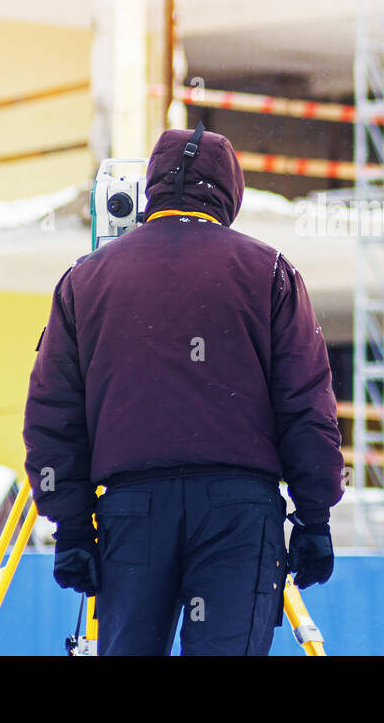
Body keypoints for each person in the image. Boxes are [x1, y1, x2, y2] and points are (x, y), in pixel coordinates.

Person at [23, 123, 344, 655]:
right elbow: (306, 405)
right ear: (229, 191)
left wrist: (73, 527)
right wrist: (314, 517)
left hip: (131, 511)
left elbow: (53, 415)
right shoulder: (269, 272)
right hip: (238, 514)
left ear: (151, 189)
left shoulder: (85, 280)